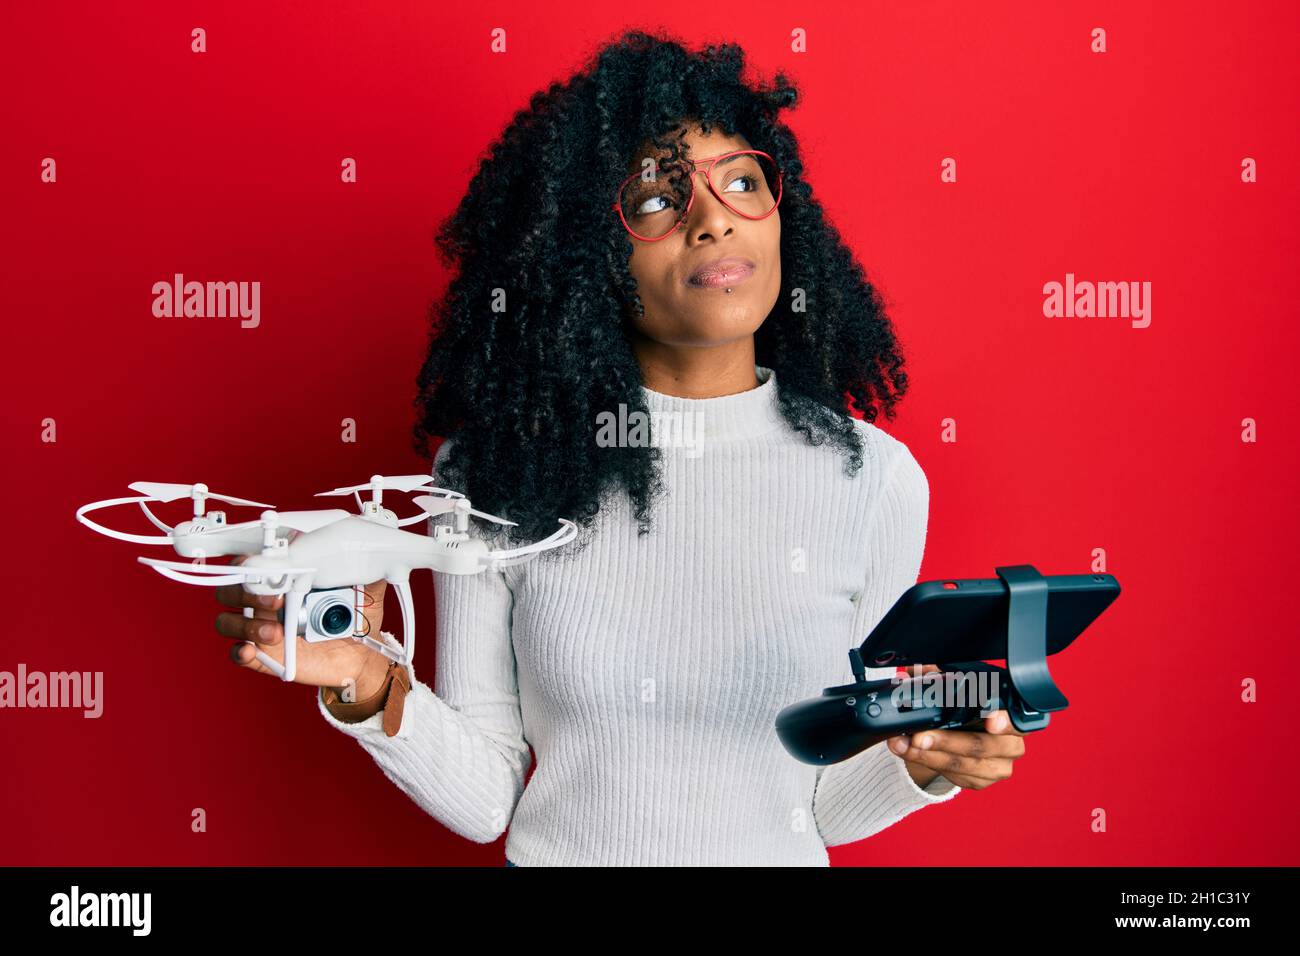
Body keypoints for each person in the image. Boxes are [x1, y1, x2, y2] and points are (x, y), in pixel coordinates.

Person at [214, 29, 1026, 866]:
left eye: (742, 181)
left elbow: (826, 807)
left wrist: (930, 763)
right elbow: (486, 799)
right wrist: (368, 682)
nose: (713, 220)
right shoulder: (495, 476)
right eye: (656, 200)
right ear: (586, 257)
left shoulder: (875, 482)